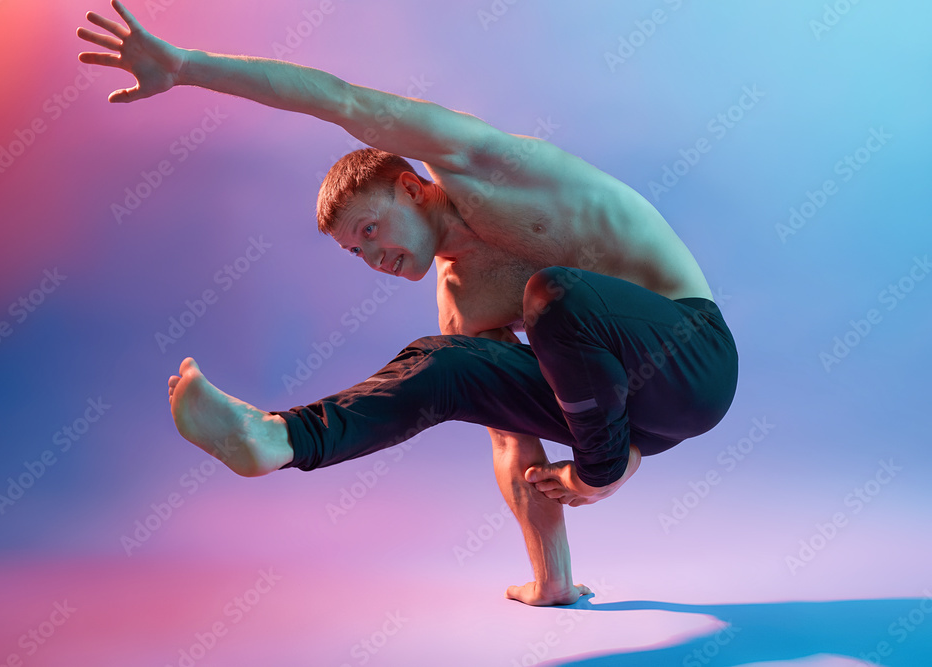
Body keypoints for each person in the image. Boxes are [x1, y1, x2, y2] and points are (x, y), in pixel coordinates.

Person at [77, 0, 739, 606]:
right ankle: (280, 437)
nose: (373, 257)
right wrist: (552, 577)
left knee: (553, 293)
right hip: (621, 417)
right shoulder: (459, 299)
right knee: (445, 366)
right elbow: (514, 441)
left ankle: (602, 464)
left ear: (411, 186)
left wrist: (189, 67)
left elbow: (340, 99)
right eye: (355, 252)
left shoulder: (483, 164)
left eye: (370, 230)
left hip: (693, 358)